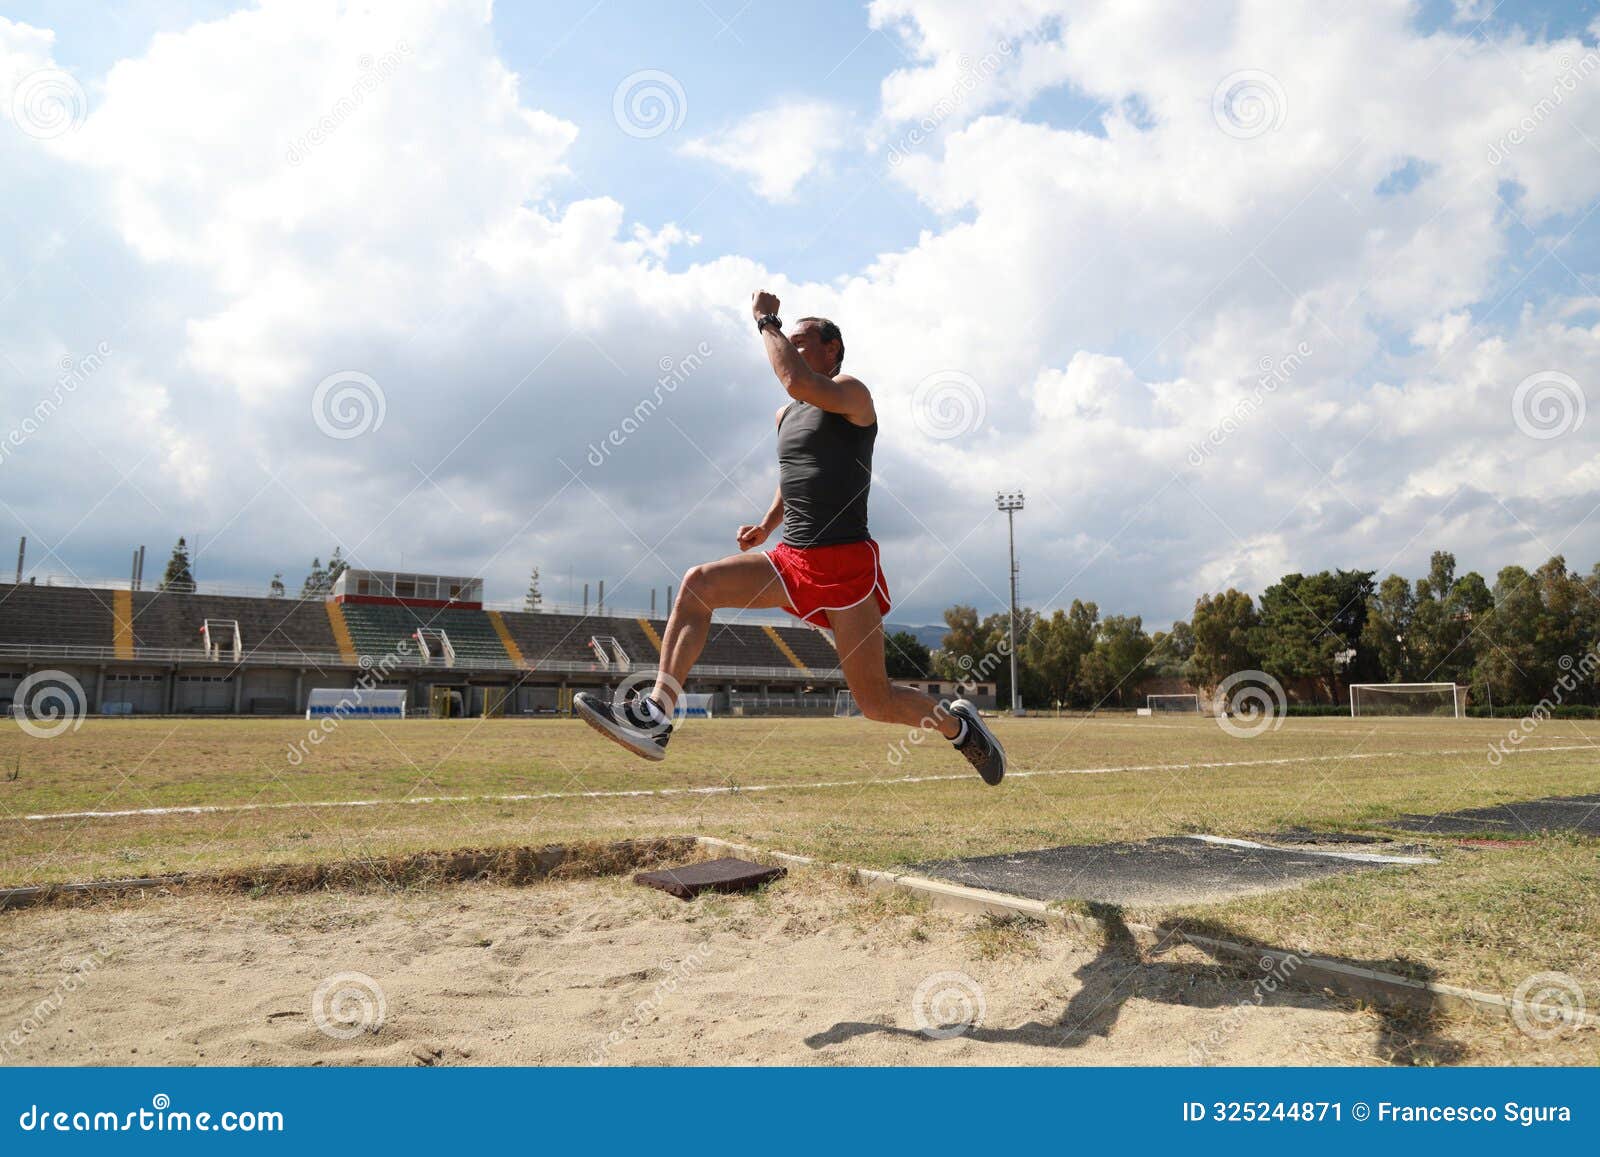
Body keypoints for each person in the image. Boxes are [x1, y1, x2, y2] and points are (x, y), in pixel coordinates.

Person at [574, 291, 1005, 785]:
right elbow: (796, 474)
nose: (791, 348)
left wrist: (766, 320)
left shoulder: (853, 395)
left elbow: (795, 377)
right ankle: (656, 717)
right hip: (792, 559)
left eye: (801, 342)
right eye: (787, 341)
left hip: (845, 566)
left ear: (832, 350)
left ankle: (959, 727)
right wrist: (766, 525)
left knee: (876, 701)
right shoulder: (785, 416)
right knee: (698, 586)